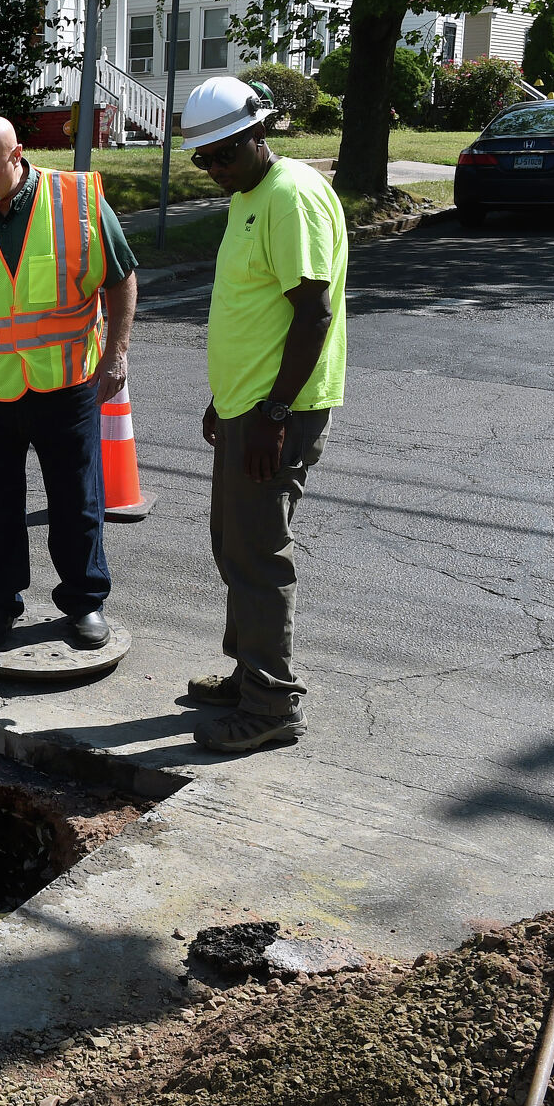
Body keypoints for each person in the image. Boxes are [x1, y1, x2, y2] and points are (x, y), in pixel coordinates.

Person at [0, 115, 139, 651]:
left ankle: (85, 604)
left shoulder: (75, 201)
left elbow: (121, 274)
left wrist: (118, 353)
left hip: (65, 384)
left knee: (74, 500)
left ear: (18, 157)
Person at [178, 76, 346, 752]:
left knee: (259, 557)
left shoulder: (290, 196)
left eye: (224, 154)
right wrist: (227, 398)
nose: (215, 169)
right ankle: (250, 674)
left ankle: (272, 705)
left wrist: (275, 411)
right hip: (249, 406)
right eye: (203, 160)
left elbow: (313, 311)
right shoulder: (249, 196)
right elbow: (256, 311)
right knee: (234, 544)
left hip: (280, 410)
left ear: (258, 135)